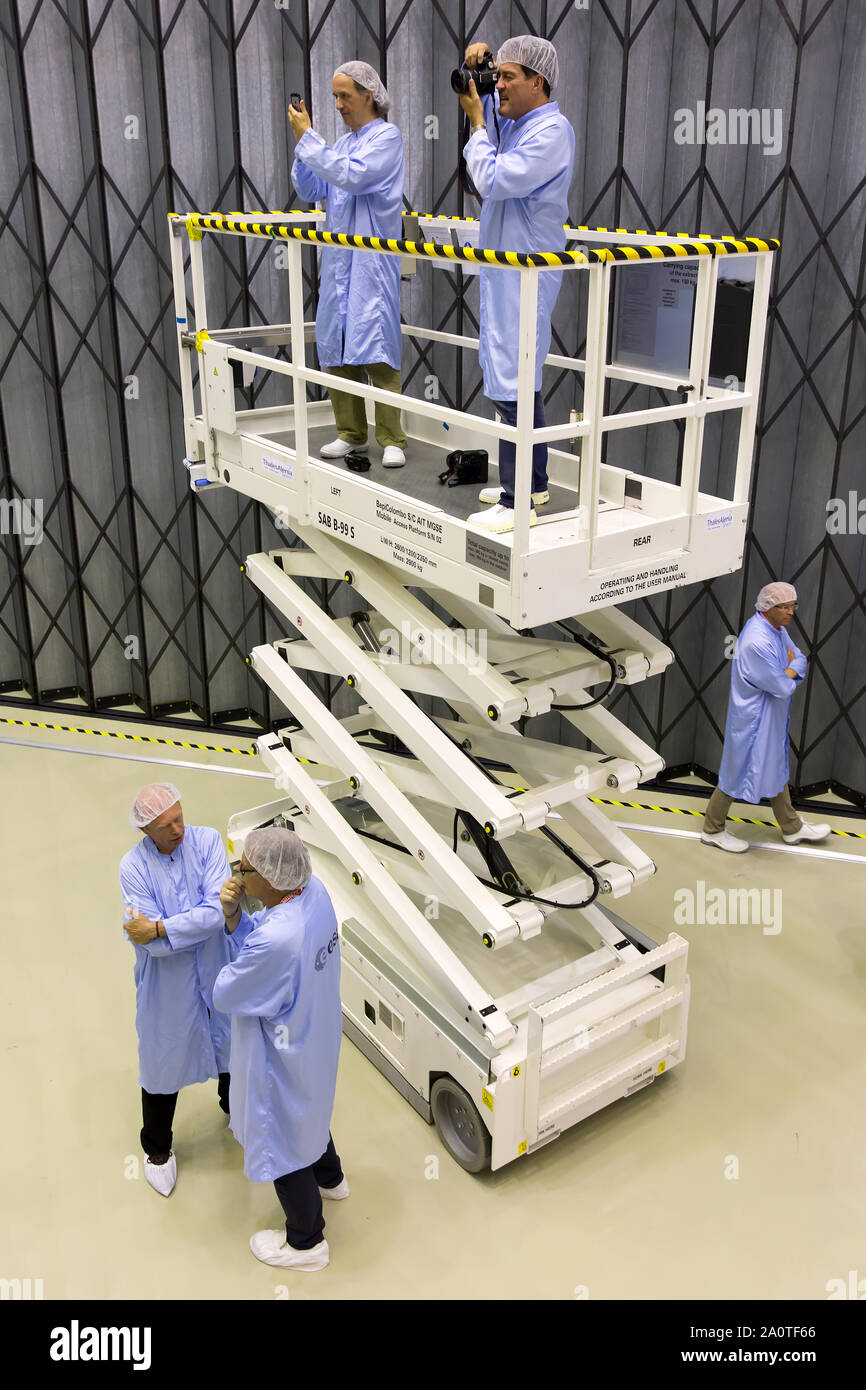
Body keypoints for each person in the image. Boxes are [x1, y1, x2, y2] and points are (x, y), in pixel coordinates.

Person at [457, 36, 575, 534]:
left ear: (538, 82)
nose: (498, 85)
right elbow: (488, 131)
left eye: (508, 77)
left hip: (526, 269)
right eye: (496, 76)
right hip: (509, 269)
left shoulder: (551, 131)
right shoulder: (518, 122)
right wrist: (477, 72)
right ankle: (536, 482)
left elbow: (493, 179)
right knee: (515, 375)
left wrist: (481, 122)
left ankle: (517, 497)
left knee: (516, 381)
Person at [213, 828, 346, 1272]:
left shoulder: (277, 939)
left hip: (283, 1051)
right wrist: (238, 916)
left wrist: (230, 922)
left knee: (282, 1136)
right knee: (311, 1107)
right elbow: (271, 944)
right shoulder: (315, 891)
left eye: (244, 869)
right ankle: (331, 1178)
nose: (239, 875)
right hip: (316, 1031)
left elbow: (229, 992)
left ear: (270, 878)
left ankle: (307, 1243)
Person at [289, 62, 408, 468]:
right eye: (335, 96)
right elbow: (309, 187)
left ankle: (392, 436)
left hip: (372, 263)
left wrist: (311, 143)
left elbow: (354, 178)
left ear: (368, 95)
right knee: (337, 344)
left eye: (345, 96)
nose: (338, 104)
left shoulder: (386, 139)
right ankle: (351, 433)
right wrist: (304, 145)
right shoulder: (338, 145)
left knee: (378, 344)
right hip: (339, 261)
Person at [119, 784, 233, 1196]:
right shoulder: (132, 868)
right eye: (166, 825)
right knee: (162, 1063)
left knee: (231, 1046)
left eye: (179, 817)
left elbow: (219, 912)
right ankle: (158, 1150)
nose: (177, 829)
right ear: (146, 829)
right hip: (168, 986)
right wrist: (166, 931)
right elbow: (146, 942)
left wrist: (164, 926)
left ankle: (235, 1111)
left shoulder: (206, 841)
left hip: (217, 970)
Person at [701, 583, 831, 852]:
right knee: (735, 773)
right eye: (784, 606)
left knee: (774, 767)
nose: (791, 612)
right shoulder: (756, 641)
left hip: (769, 718)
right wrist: (790, 670)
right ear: (768, 607)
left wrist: (790, 668)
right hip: (753, 722)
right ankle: (712, 830)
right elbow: (782, 686)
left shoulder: (776, 630)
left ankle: (791, 827)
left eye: (793, 605)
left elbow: (799, 658)